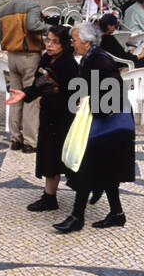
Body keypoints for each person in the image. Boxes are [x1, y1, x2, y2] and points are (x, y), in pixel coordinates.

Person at [49, 21, 136, 232]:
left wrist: (87, 100)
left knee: (87, 168)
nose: (72, 43)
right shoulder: (91, 58)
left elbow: (110, 100)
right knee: (106, 172)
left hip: (108, 127)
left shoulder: (99, 62)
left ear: (87, 42)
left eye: (74, 40)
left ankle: (77, 217)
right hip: (106, 128)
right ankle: (117, 214)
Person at [5, 25, 77, 211]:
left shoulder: (68, 64)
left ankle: (84, 192)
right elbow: (39, 84)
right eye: (48, 40)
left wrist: (43, 96)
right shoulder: (46, 58)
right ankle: (49, 197)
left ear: (64, 44)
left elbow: (70, 94)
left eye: (55, 42)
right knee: (48, 157)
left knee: (64, 158)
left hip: (62, 118)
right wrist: (28, 94)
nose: (50, 44)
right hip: (48, 117)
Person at [0, 0, 49, 151]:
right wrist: (50, 29)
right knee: (30, 96)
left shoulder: (5, 8)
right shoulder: (33, 6)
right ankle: (29, 141)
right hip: (29, 56)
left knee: (15, 96)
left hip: (11, 56)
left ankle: (15, 139)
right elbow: (32, 25)